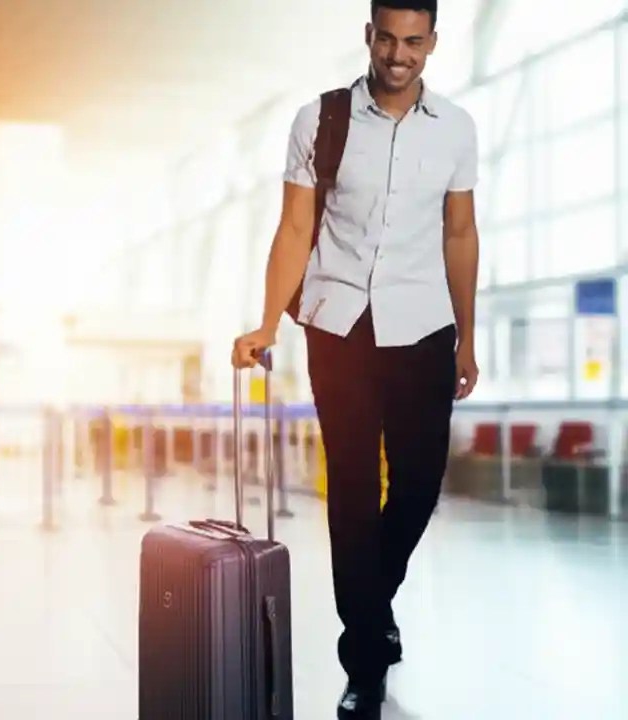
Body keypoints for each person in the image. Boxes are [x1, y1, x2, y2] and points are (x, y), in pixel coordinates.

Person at [230, 1, 479, 717]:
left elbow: (460, 234)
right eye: (388, 39)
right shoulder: (321, 119)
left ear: (432, 42)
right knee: (350, 490)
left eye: (414, 42)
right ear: (368, 35)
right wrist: (268, 320)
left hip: (424, 325)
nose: (399, 55)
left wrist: (469, 333)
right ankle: (364, 654)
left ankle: (373, 598)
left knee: (418, 486)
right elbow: (296, 225)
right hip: (338, 325)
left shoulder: (456, 129)